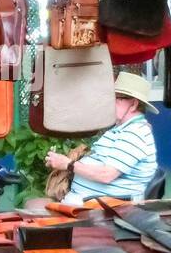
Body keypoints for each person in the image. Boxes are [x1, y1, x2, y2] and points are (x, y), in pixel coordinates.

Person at [46, 72, 159, 203]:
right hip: (90, 202)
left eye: (116, 98)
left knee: (31, 211)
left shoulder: (135, 133)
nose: (109, 103)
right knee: (32, 207)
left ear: (133, 104)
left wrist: (68, 164)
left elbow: (107, 175)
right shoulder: (122, 129)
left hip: (104, 208)